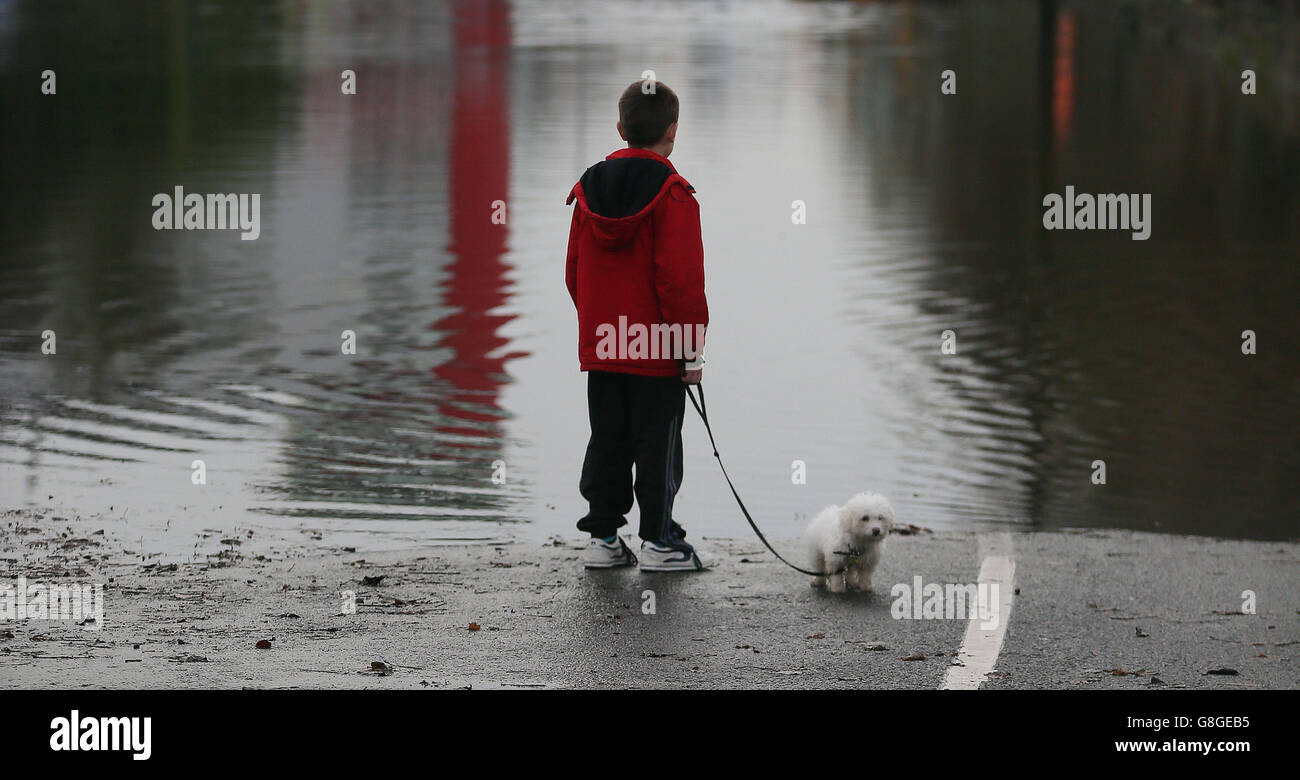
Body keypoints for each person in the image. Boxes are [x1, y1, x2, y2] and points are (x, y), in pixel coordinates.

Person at [564, 79, 711, 571]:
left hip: (604, 347)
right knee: (659, 445)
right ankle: (660, 542)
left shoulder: (588, 189)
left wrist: (599, 326)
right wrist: (690, 351)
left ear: (621, 128)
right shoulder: (673, 195)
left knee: (607, 439)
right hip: (657, 350)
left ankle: (603, 538)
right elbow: (680, 283)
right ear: (673, 131)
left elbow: (574, 272)